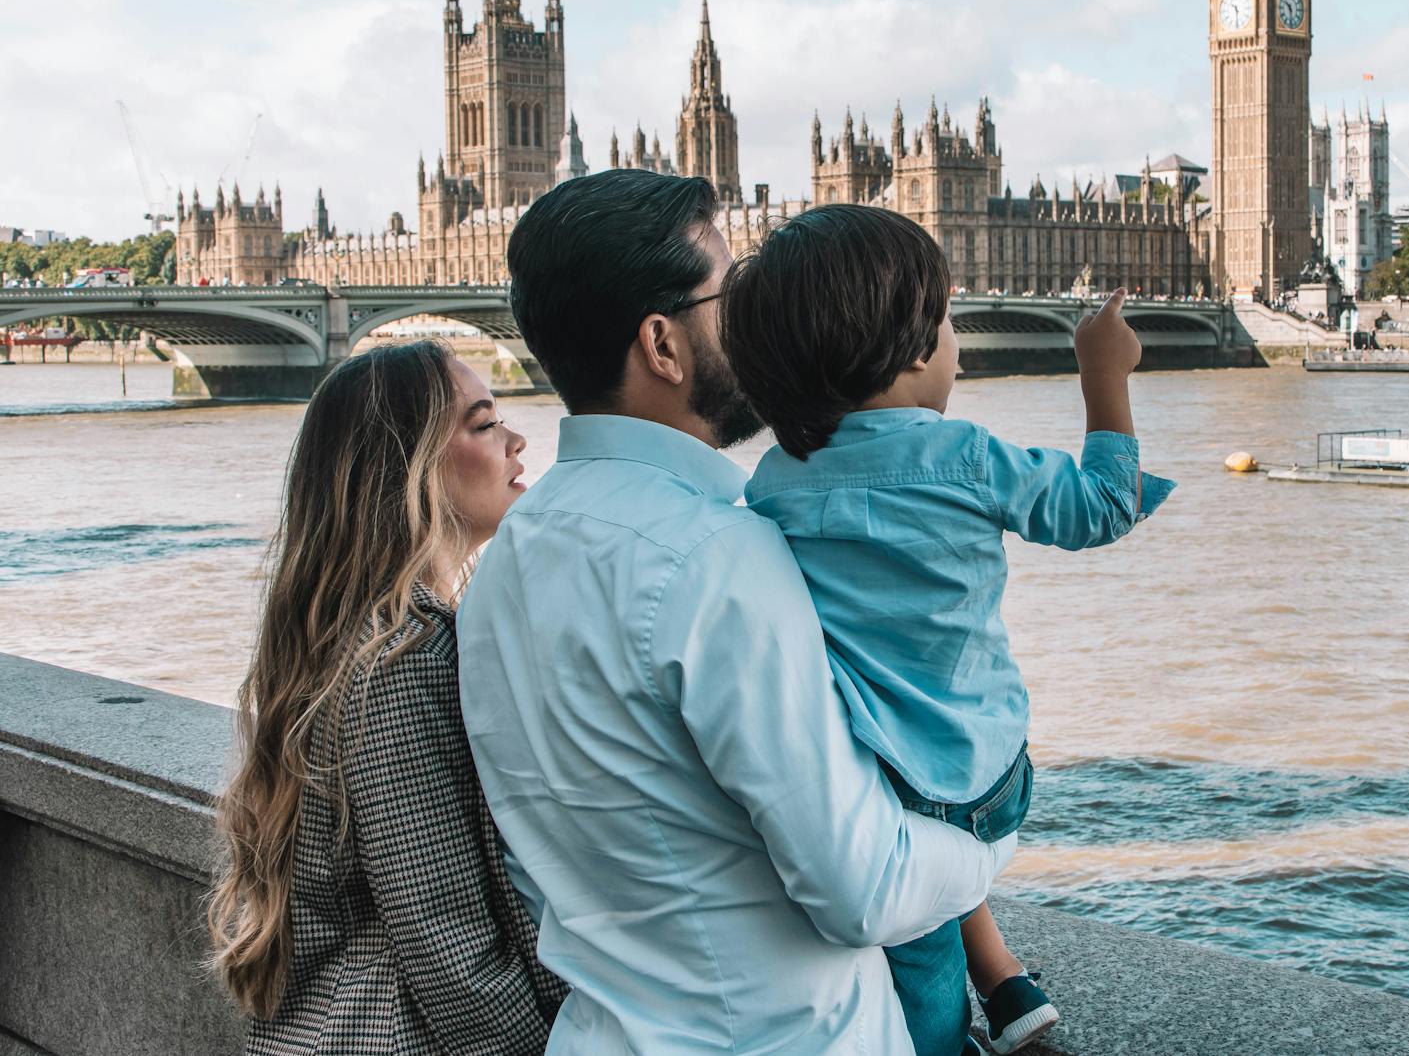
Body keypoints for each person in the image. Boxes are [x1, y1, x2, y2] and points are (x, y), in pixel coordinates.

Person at [457, 169, 1013, 1055]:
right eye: (731, 295)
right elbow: (863, 887)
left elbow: (538, 867)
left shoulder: (504, 563)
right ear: (662, 345)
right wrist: (998, 826)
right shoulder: (719, 556)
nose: (758, 322)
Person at [721, 205, 1174, 1055]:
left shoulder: (773, 483)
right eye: (950, 322)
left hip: (869, 783)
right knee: (927, 988)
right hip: (984, 777)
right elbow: (1102, 508)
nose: (959, 341)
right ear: (915, 349)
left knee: (913, 929)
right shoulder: (965, 455)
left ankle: (996, 977)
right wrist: (1102, 376)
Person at [208, 340, 567, 1053]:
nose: (517, 442)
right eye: (484, 423)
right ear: (409, 466)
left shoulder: (348, 637)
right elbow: (443, 933)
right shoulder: (404, 655)